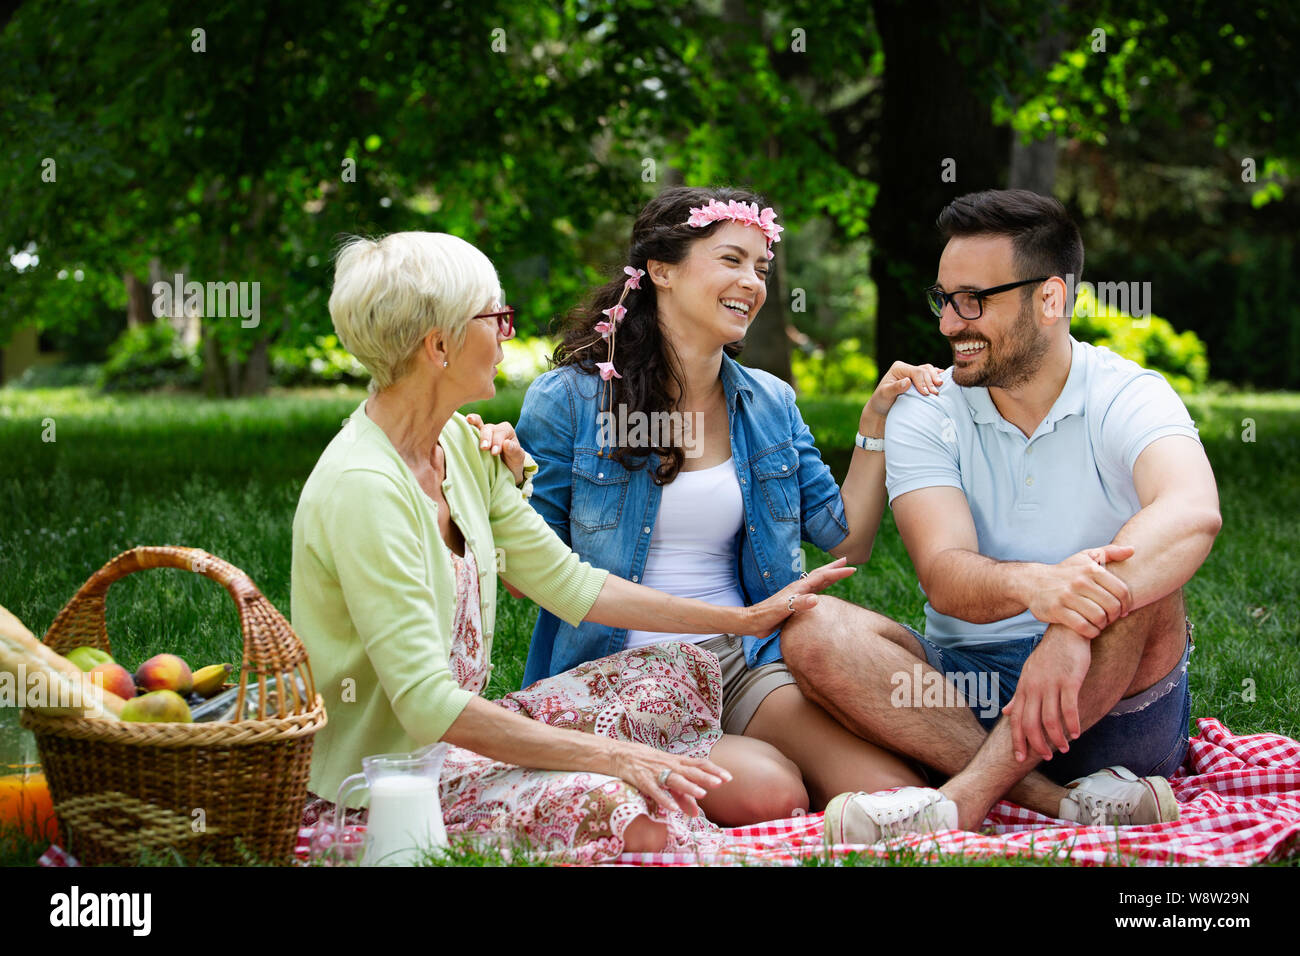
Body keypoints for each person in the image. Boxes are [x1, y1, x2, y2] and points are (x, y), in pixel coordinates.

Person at [290, 230, 851, 862]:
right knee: (638, 823)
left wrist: (741, 620)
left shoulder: (461, 450)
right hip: (386, 788)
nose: (506, 332)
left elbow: (569, 583)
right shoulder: (367, 488)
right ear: (438, 345)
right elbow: (426, 707)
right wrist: (614, 757)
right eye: (494, 316)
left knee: (693, 703)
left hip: (459, 744)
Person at [776, 189, 1222, 843]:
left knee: (1150, 581)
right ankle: (1054, 801)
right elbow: (945, 576)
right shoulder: (926, 409)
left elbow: (1193, 512)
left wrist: (1070, 627)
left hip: (1110, 705)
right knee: (811, 625)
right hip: (964, 699)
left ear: (1049, 298)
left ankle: (960, 800)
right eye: (943, 299)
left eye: (973, 300)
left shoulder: (1129, 393)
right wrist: (1039, 589)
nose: (950, 324)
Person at [516, 185, 940, 823]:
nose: (754, 282)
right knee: (772, 791)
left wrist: (875, 421)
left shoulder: (769, 402)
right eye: (732, 260)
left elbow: (845, 541)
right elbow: (526, 578)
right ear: (660, 270)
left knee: (898, 793)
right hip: (622, 669)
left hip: (741, 662)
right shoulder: (570, 403)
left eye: (762, 268)